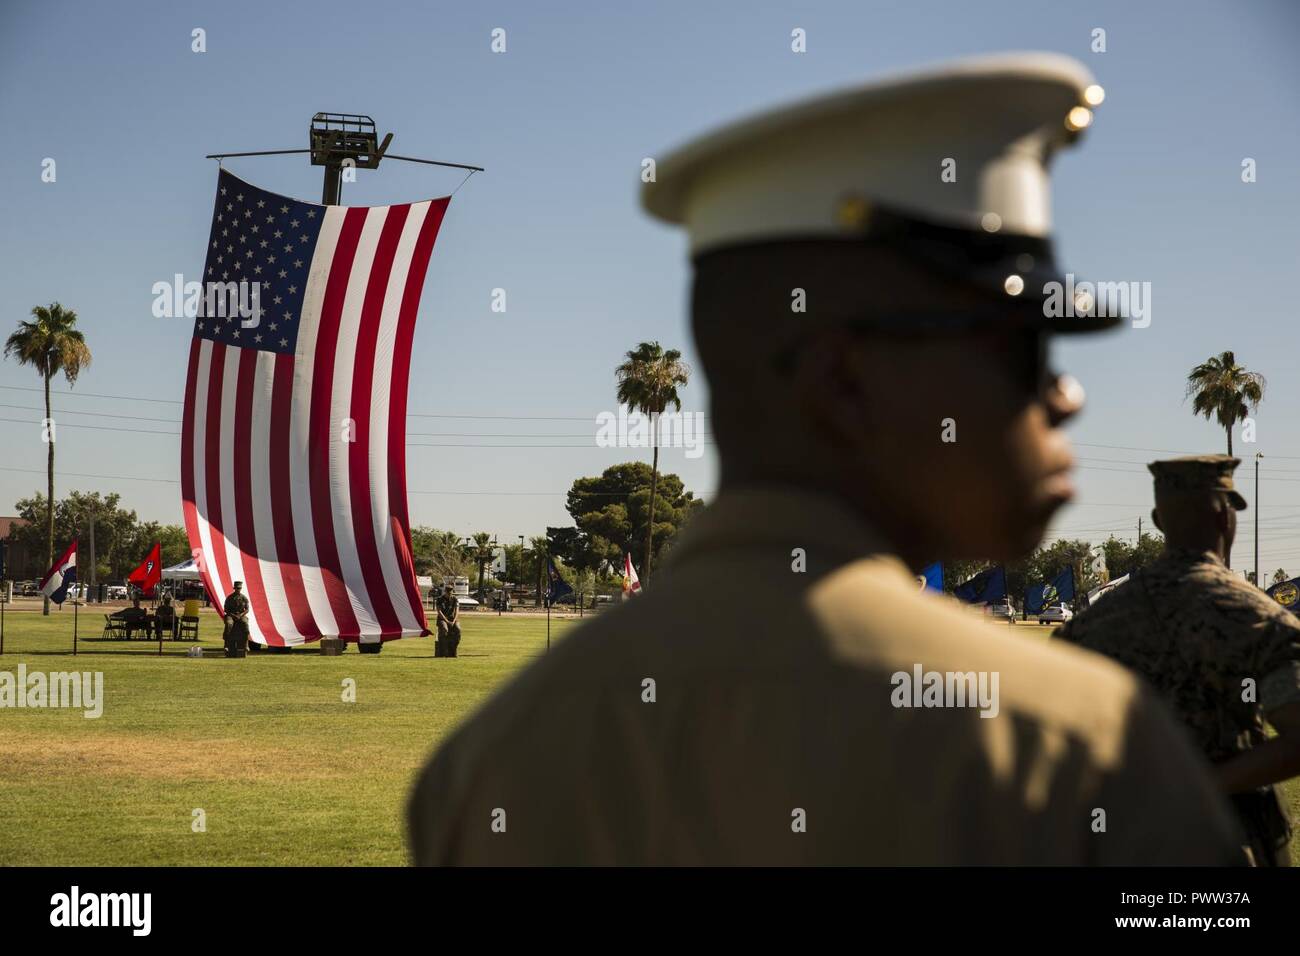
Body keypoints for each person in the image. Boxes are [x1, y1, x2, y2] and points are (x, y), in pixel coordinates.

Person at [407, 53, 1244, 865]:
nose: (1067, 398)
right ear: (842, 382)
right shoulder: (1077, 746)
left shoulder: (487, 766)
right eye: (1023, 350)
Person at [1058, 456, 1300, 865]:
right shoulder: (1262, 620)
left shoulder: (1087, 627)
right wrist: (1205, 781)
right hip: (1230, 841)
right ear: (1226, 518)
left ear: (1158, 519)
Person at [223, 581, 250, 658]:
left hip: (241, 615)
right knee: (229, 624)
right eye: (237, 588)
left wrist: (241, 615)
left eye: (239, 588)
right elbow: (226, 609)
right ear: (234, 588)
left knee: (245, 624)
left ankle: (246, 645)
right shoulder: (229, 598)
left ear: (241, 588)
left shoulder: (244, 598)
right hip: (231, 615)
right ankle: (227, 645)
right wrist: (233, 615)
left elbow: (247, 609)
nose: (238, 589)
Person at [434, 584, 461, 658]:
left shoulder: (455, 599)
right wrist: (446, 621)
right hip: (442, 619)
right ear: (445, 591)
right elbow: (439, 612)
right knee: (444, 629)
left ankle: (454, 649)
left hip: (452, 619)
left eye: (451, 592)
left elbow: (457, 611)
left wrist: (454, 620)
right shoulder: (439, 599)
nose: (449, 594)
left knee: (458, 629)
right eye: (448, 592)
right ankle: (444, 650)